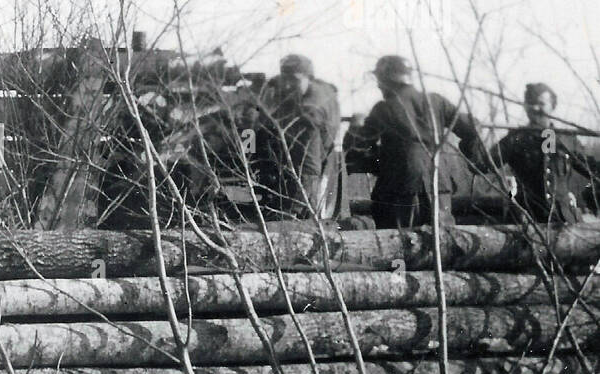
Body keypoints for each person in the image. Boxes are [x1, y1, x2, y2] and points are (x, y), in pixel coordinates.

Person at [349, 55, 491, 229]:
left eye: (379, 80)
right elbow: (472, 128)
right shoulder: (436, 102)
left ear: (387, 80)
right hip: (438, 186)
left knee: (398, 247)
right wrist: (473, 156)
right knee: (444, 244)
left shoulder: (383, 109)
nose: (378, 85)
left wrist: (355, 128)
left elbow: (357, 151)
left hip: (398, 191)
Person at [492, 83, 596, 223]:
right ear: (525, 106)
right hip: (528, 219)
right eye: (531, 103)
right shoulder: (515, 139)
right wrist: (471, 134)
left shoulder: (567, 139)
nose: (535, 108)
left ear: (552, 106)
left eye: (541, 103)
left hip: (565, 220)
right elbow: (482, 163)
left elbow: (591, 170)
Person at [255, 54, 340, 219]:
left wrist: (294, 209)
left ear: (309, 78)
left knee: (304, 212)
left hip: (312, 158)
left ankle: (301, 211)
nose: (287, 85)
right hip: (292, 155)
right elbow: (257, 122)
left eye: (293, 80)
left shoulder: (312, 108)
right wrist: (249, 150)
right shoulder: (282, 88)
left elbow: (309, 166)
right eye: (284, 79)